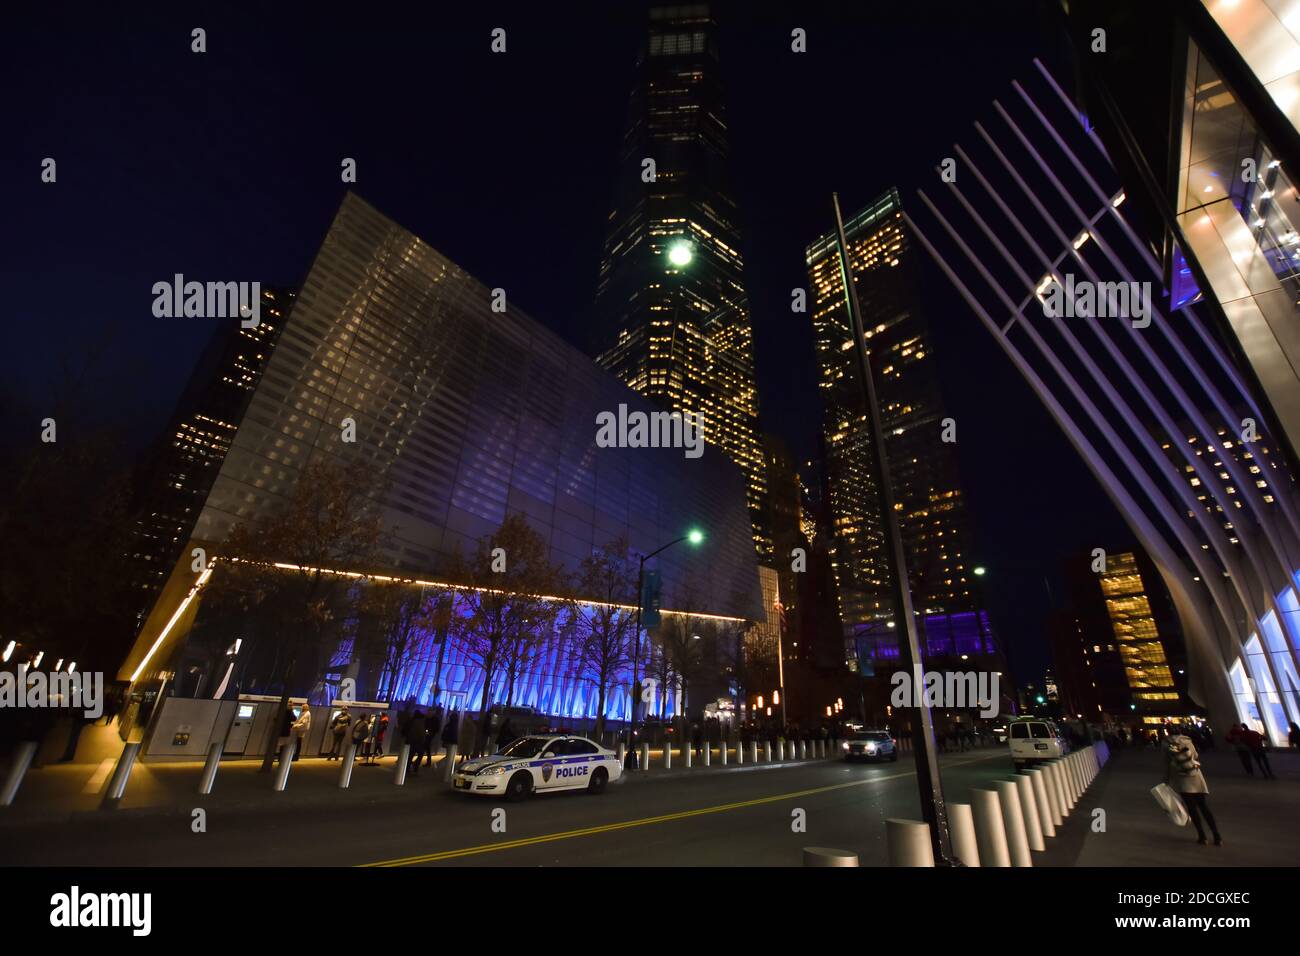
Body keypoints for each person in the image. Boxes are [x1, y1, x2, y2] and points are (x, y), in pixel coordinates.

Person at [1164, 727, 1222, 846]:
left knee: (1192, 808)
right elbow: (1195, 756)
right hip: (1195, 776)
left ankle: (1202, 836)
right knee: (1204, 807)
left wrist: (1166, 780)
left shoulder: (1166, 743)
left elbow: (1166, 763)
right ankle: (1217, 836)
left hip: (1182, 779)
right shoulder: (1187, 741)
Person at [405, 710, 428, 776]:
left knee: (410, 755)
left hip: (411, 740)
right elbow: (421, 733)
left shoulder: (413, 721)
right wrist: (423, 738)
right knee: (420, 754)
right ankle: (415, 767)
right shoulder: (420, 722)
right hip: (418, 741)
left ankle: (407, 768)